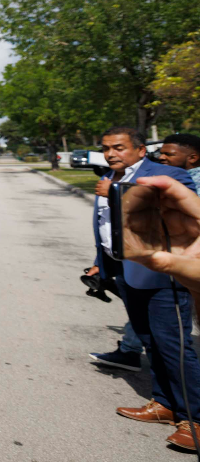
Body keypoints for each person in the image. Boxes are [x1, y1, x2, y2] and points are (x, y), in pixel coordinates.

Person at [89, 127, 200, 451]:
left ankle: (194, 418)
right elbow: (105, 225)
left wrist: (114, 191)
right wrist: (101, 261)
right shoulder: (110, 174)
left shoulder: (166, 173)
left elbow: (172, 213)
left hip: (164, 276)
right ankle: (164, 405)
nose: (111, 154)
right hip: (127, 272)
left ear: (140, 150)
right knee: (150, 342)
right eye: (107, 148)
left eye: (119, 147)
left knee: (175, 347)